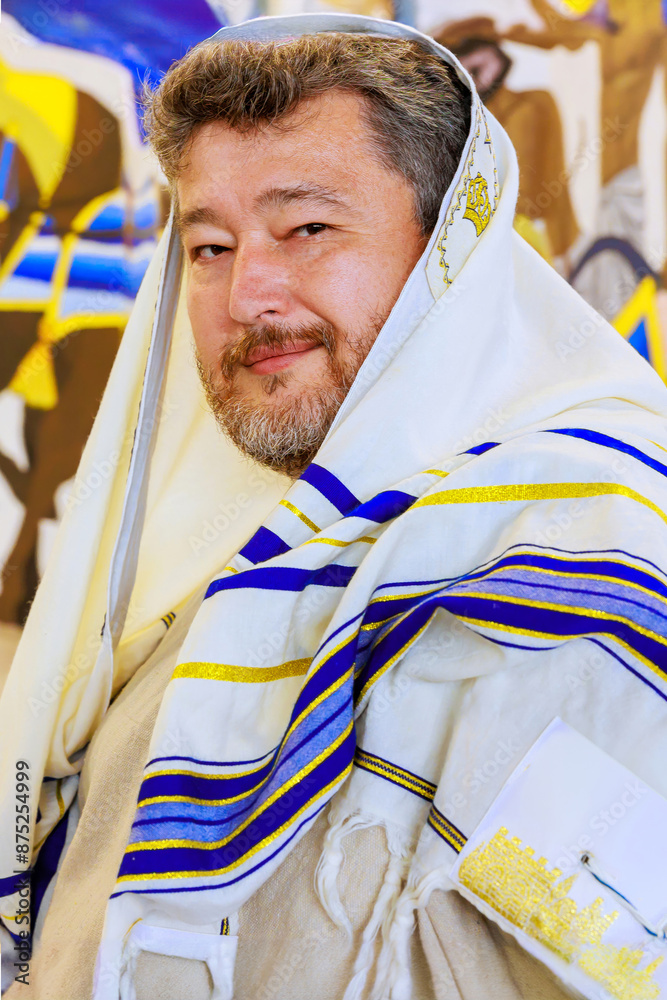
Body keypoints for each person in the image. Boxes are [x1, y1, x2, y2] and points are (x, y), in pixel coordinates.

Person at [2, 14, 667, 1000]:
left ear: (452, 252)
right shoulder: (223, 564)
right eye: (213, 245)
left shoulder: (583, 554)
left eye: (307, 227)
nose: (247, 294)